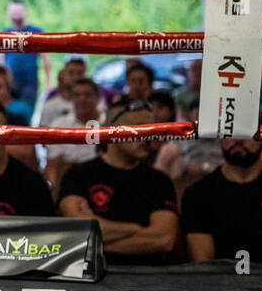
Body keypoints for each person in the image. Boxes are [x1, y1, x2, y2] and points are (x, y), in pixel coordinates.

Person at [57, 100, 179, 265]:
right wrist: (137, 229)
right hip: (88, 274)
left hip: (147, 276)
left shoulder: (159, 181)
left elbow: (163, 240)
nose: (147, 136)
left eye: (150, 129)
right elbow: (79, 231)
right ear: (112, 130)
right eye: (139, 128)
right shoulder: (78, 174)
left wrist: (95, 242)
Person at [181, 139, 262, 266]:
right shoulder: (198, 193)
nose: (238, 139)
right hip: (222, 282)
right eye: (231, 131)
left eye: (246, 132)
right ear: (220, 138)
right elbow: (202, 261)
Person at [3, 0, 49, 111]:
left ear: (25, 11)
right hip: (10, 83)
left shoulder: (36, 31)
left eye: (18, 10)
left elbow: (45, 58)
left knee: (27, 112)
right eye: (13, 11)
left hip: (30, 81)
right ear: (8, 13)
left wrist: (48, 83)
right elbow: (1, 60)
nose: (16, 13)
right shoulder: (4, 33)